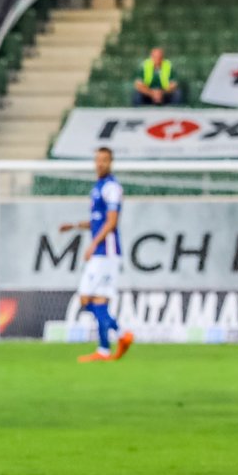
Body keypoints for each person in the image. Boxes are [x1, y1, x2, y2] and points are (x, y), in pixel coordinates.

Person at [59, 145, 135, 364]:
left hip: (106, 253)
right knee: (99, 301)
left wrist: (93, 244)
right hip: (103, 252)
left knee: (85, 297)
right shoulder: (98, 186)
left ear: (111, 162)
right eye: (97, 160)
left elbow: (111, 222)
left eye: (104, 160)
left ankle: (121, 334)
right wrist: (74, 226)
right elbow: (97, 221)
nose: (100, 163)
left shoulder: (112, 187)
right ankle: (103, 349)